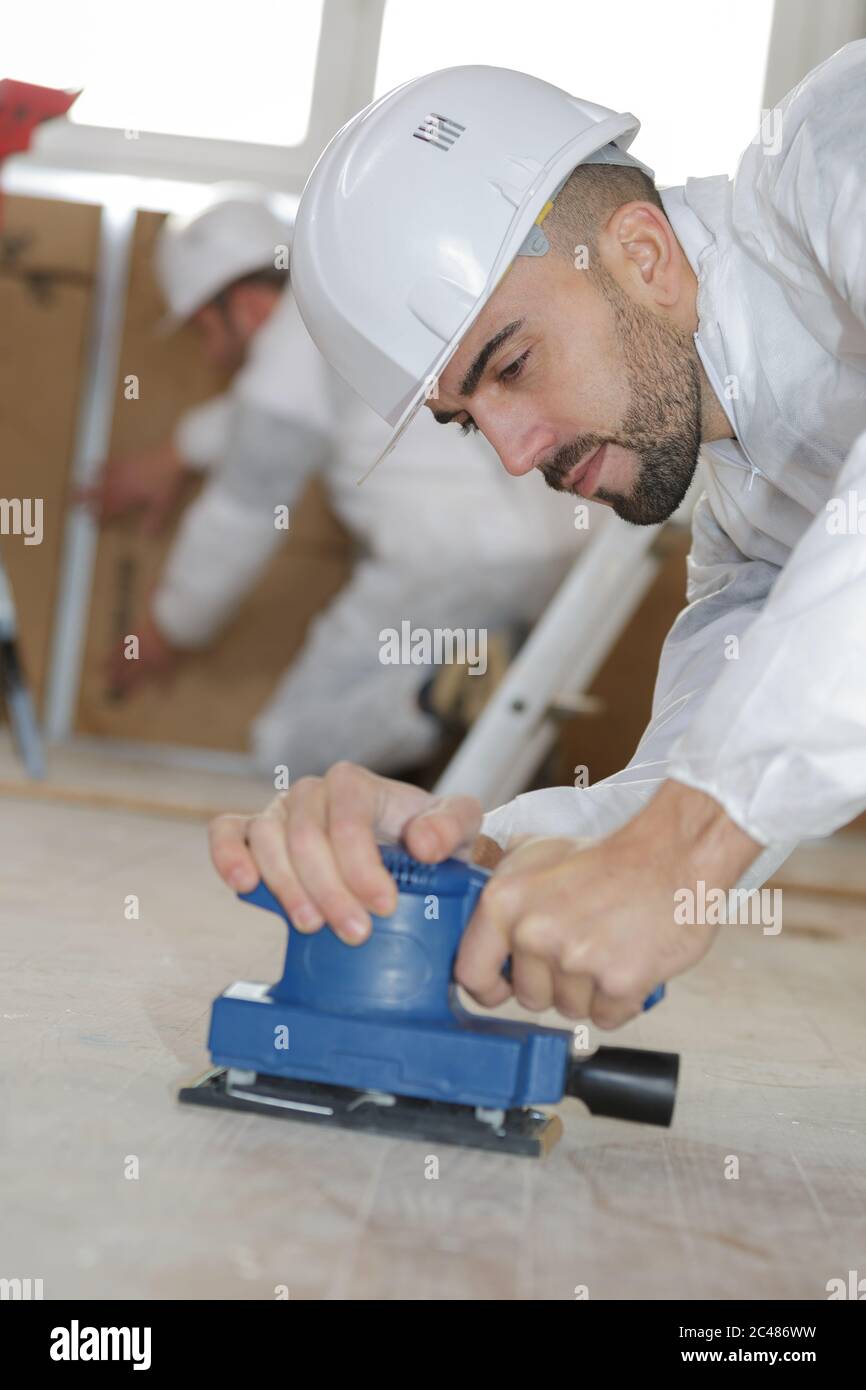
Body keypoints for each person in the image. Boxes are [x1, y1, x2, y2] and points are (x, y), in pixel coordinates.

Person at [209, 45, 866, 1028]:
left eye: (510, 364)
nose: (514, 456)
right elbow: (676, 788)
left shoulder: (834, 140)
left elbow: (688, 827)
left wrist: (683, 847)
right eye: (468, 418)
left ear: (640, 255)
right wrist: (455, 856)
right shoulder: (756, 528)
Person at [81, 188, 578, 776]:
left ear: (243, 306)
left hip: (445, 559)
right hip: (557, 545)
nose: (211, 356)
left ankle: (443, 691)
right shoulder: (357, 301)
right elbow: (267, 421)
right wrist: (179, 452)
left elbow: (245, 506)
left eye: (202, 331)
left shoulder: (292, 341)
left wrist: (169, 626)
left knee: (290, 745)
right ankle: (473, 698)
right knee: (480, 716)